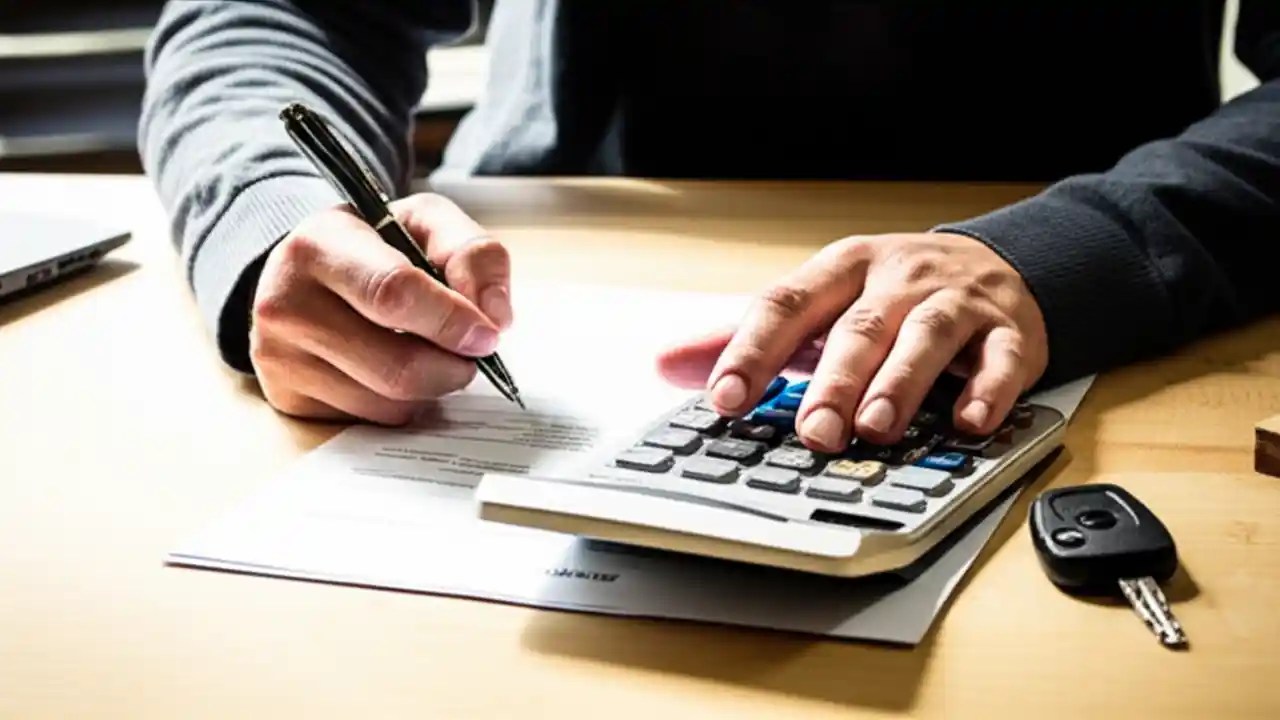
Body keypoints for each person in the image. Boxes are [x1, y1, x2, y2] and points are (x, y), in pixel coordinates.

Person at [139, 1, 1279, 453]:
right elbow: (276, 13)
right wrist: (273, 219)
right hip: (541, 269)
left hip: (1088, 313)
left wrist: (1078, 247)